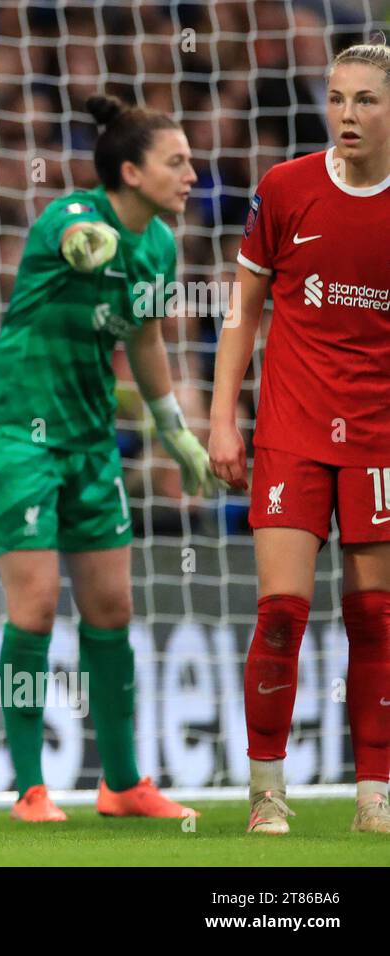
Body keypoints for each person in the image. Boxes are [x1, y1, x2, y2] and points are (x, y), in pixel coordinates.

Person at [0, 93, 221, 822]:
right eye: (177, 162)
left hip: (87, 437)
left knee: (113, 606)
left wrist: (174, 429)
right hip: (14, 429)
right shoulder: (70, 217)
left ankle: (124, 783)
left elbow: (143, 337)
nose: (193, 174)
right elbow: (81, 248)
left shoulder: (163, 246)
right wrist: (95, 246)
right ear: (131, 172)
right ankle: (28, 787)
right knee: (37, 605)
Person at [210, 40, 390, 835]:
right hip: (291, 429)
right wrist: (222, 418)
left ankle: (375, 797)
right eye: (338, 97)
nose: (347, 114)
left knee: (376, 617)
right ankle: (266, 794)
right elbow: (242, 312)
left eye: (367, 100)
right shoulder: (284, 189)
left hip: (380, 438)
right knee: (280, 609)